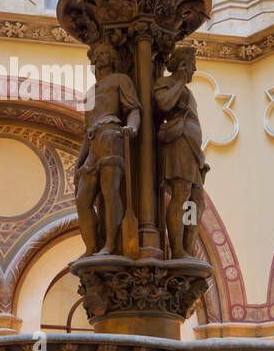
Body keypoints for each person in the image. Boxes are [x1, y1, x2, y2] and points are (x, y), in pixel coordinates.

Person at [75, 42, 141, 256]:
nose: (99, 57)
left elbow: (133, 109)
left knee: (110, 191)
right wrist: (79, 162)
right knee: (82, 200)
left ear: (113, 58)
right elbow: (87, 132)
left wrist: (132, 127)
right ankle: (91, 246)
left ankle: (111, 245)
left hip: (112, 136)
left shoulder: (121, 80)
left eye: (104, 54)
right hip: (94, 142)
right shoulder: (90, 93)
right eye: (97, 54)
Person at [155, 46, 208, 259]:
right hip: (179, 146)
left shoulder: (187, 91)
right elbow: (163, 104)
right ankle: (177, 251)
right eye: (192, 64)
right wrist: (180, 80)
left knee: (197, 202)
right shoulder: (166, 84)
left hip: (192, 151)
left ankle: (188, 248)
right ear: (183, 64)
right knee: (181, 194)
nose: (195, 69)